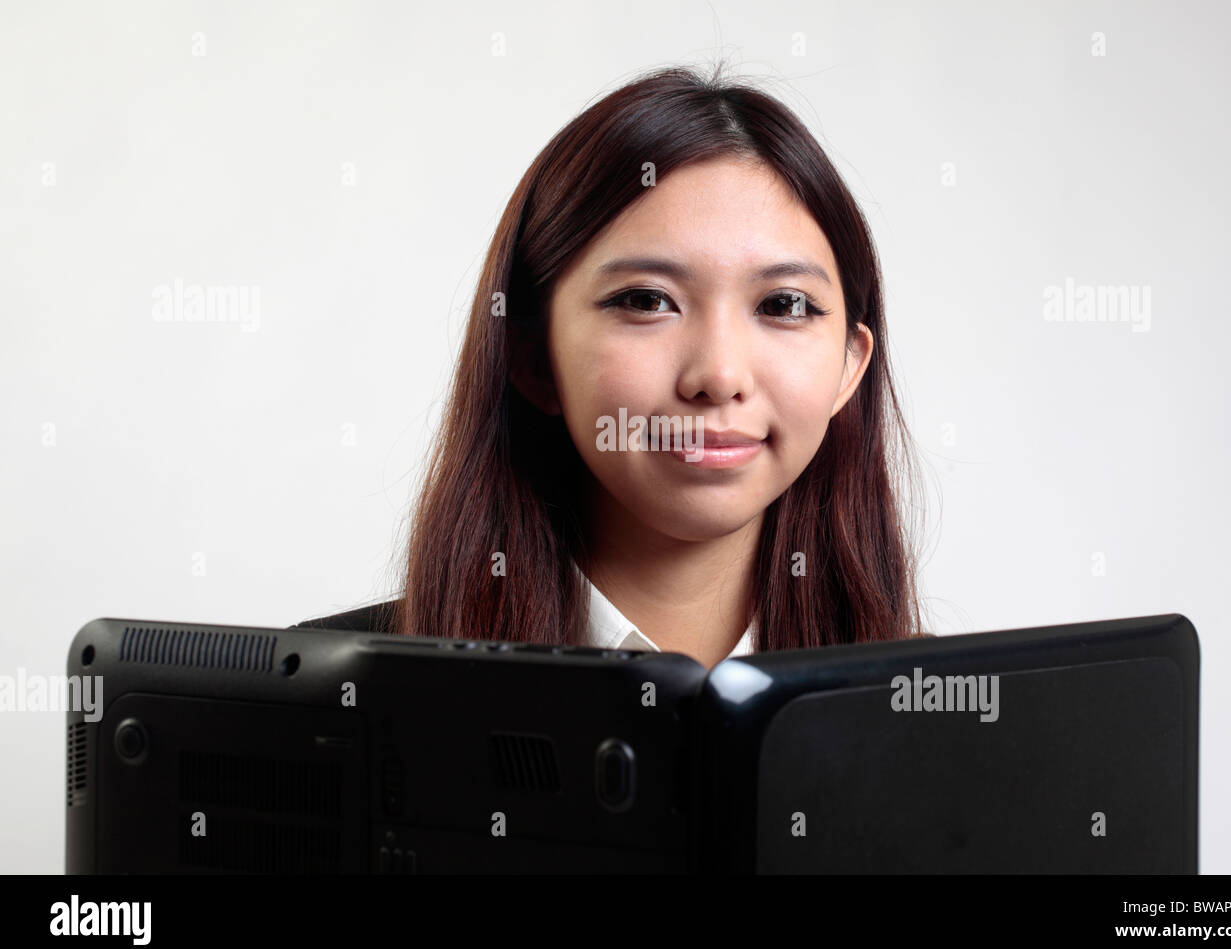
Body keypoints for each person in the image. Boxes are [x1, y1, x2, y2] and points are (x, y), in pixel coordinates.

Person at [294, 62, 930, 669]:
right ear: (532, 355)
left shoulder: (933, 710)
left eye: (783, 304)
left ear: (850, 366)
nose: (720, 376)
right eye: (646, 300)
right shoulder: (323, 702)